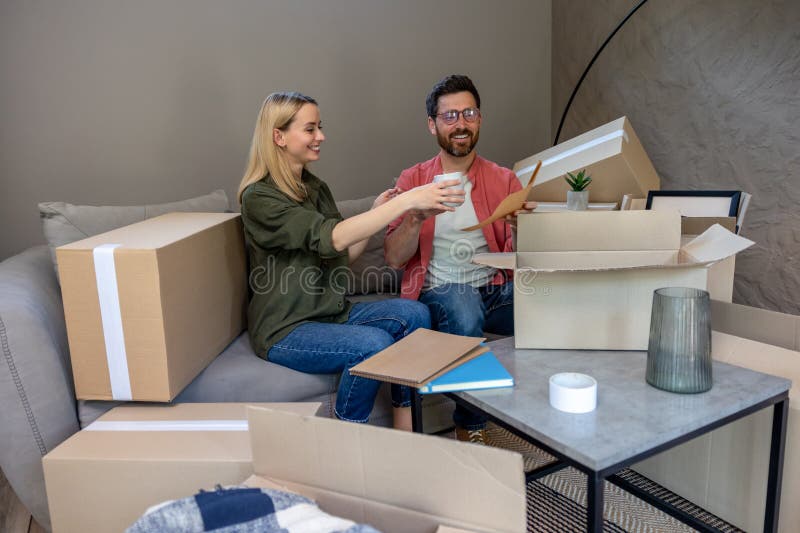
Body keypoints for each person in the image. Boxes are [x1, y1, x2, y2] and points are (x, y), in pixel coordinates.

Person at [238, 91, 467, 430]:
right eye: (310, 129)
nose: (321, 136)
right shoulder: (259, 197)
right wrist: (406, 201)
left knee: (415, 314)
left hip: (331, 314)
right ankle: (348, 435)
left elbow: (343, 253)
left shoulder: (315, 188)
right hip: (285, 328)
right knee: (373, 345)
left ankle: (406, 426)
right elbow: (333, 237)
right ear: (279, 136)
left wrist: (376, 211)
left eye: (320, 127)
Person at [384, 75, 535, 442]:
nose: (461, 124)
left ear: (479, 119)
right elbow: (394, 258)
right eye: (449, 116)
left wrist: (522, 228)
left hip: (494, 291)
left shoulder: (504, 180)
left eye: (469, 113)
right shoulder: (413, 180)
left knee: (551, 301)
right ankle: (471, 428)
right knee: (464, 304)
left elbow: (522, 260)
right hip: (440, 293)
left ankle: (550, 415)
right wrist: (415, 217)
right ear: (432, 124)